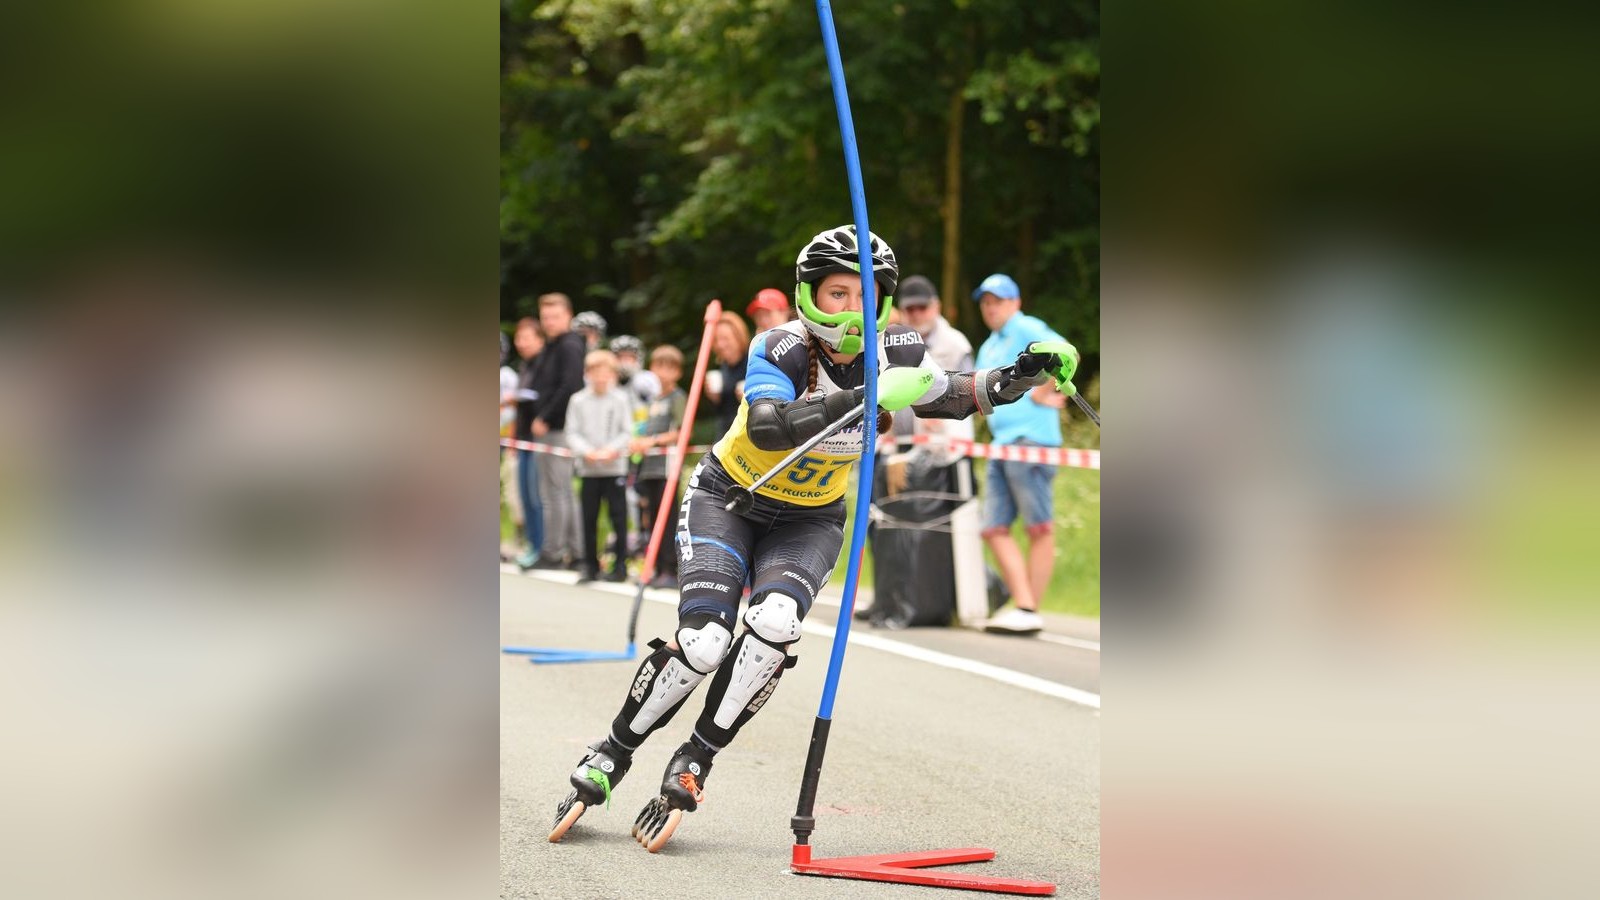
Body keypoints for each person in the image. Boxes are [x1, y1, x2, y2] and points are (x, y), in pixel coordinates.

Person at [547, 225, 1076, 850]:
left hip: (811, 518)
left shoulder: (895, 353)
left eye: (864, 295)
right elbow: (770, 429)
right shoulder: (781, 346)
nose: (851, 309)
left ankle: (696, 757)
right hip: (731, 499)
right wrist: (864, 397)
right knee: (707, 638)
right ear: (808, 296)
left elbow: (960, 395)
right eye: (835, 293)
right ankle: (612, 752)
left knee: (775, 622)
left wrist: (1024, 372)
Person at [971, 272, 1078, 635]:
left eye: (998, 300)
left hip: (1032, 441)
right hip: (1002, 444)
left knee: (1038, 527)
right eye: (985, 302)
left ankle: (1028, 608)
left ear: (1015, 303)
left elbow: (1066, 352)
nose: (991, 308)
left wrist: (1046, 390)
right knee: (993, 528)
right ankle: (1024, 604)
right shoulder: (988, 346)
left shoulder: (1026, 326)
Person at [525, 293, 588, 569]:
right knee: (561, 491)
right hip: (553, 427)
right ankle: (575, 551)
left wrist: (546, 417)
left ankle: (554, 552)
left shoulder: (570, 345)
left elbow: (570, 385)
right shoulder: (553, 346)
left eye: (555, 316)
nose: (549, 322)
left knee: (556, 493)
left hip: (559, 427)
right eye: (545, 317)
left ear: (568, 316)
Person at [566, 350, 636, 583]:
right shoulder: (578, 400)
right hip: (588, 468)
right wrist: (587, 451)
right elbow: (572, 432)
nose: (601, 378)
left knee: (618, 516)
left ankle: (620, 565)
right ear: (588, 374)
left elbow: (627, 431)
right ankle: (589, 564)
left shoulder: (620, 399)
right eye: (596, 372)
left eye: (606, 373)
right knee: (588, 517)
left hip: (614, 466)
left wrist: (611, 450)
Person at [629, 344, 687, 589]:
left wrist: (652, 441)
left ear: (678, 372)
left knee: (668, 517)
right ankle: (653, 566)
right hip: (648, 466)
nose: (662, 372)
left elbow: (681, 431)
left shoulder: (677, 397)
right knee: (650, 517)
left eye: (669, 367)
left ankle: (669, 568)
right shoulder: (649, 398)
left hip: (667, 467)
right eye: (658, 366)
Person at [509, 319, 546, 569]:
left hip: (539, 441)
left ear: (540, 339)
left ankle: (542, 547)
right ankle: (532, 545)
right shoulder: (524, 366)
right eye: (518, 338)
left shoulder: (544, 365)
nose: (522, 343)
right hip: (522, 440)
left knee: (536, 496)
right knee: (524, 495)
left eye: (527, 338)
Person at [704, 311, 749, 438]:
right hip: (726, 434)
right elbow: (724, 410)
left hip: (746, 435)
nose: (720, 345)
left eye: (725, 339)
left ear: (739, 337)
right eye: (716, 340)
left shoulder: (753, 362)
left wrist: (749, 397)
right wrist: (715, 398)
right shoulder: (724, 366)